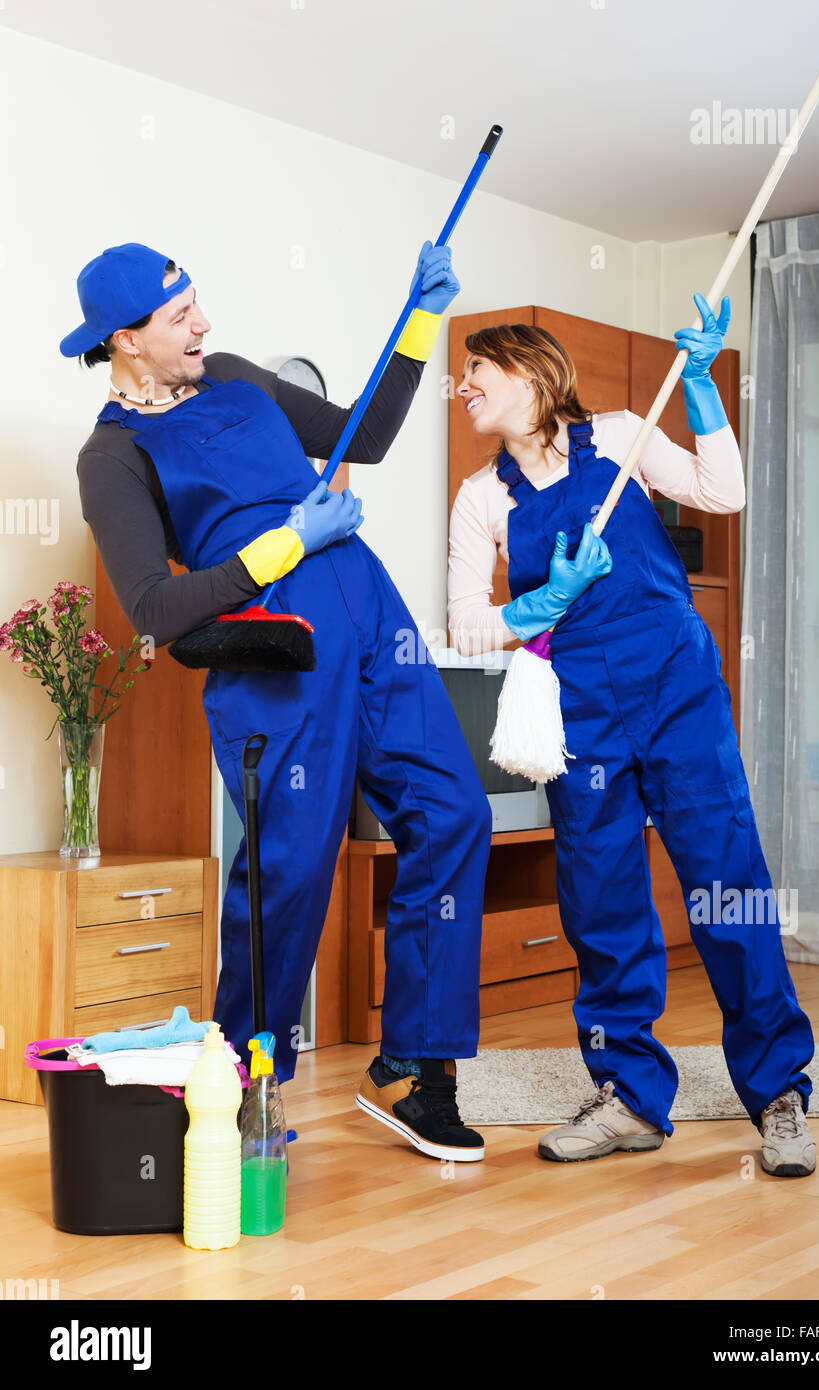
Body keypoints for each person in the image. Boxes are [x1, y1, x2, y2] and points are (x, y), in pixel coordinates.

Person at [64, 240, 492, 1163]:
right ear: (125, 340)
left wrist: (420, 316)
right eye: (181, 318)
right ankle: (243, 1099)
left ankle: (421, 1073)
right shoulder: (112, 456)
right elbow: (153, 607)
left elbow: (362, 436)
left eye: (196, 307)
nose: (204, 326)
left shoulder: (234, 378)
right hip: (275, 648)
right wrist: (286, 542)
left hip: (370, 608)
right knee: (289, 874)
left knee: (455, 813)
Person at [448, 296, 817, 1177]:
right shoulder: (481, 497)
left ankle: (777, 1093)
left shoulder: (617, 436)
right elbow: (465, 627)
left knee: (728, 883)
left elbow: (722, 493)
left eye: (477, 371)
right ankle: (628, 1098)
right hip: (582, 714)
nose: (462, 387)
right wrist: (539, 605)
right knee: (603, 902)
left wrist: (700, 388)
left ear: (532, 374)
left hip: (679, 691)